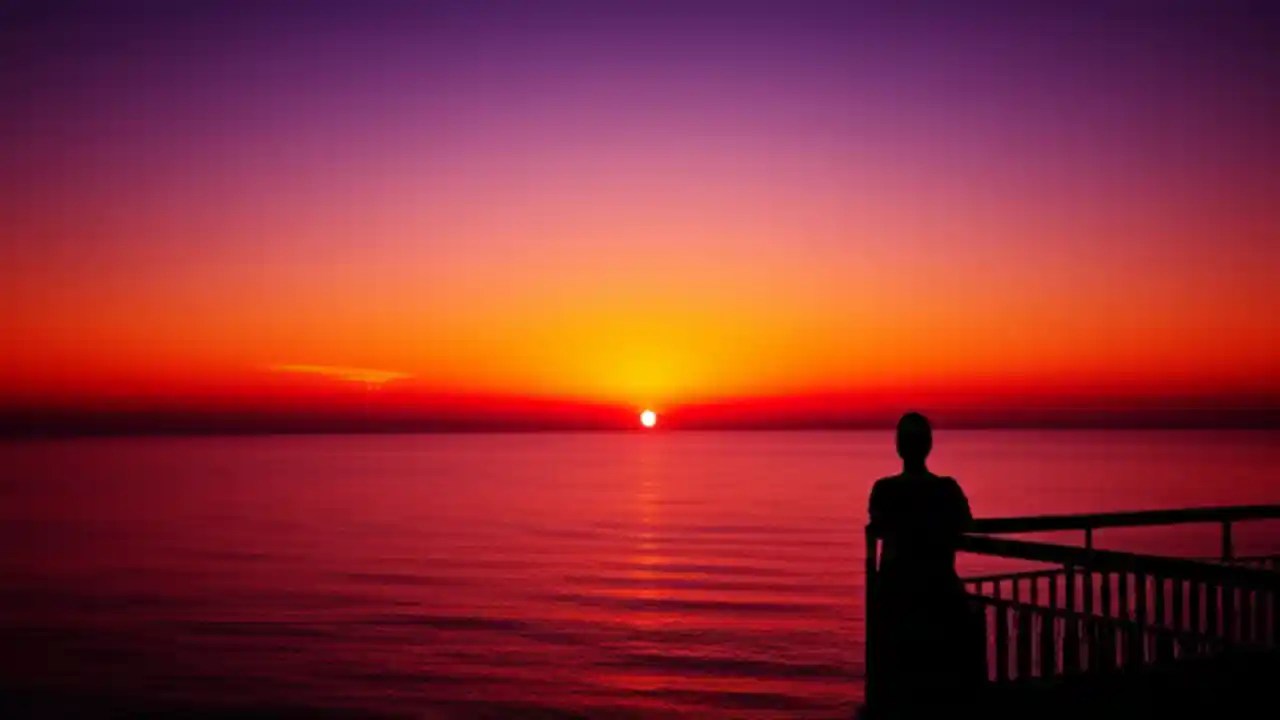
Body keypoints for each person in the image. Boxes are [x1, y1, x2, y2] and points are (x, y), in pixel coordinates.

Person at [867, 412, 983, 715]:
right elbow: (966, 523)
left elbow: (877, 523)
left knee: (900, 682)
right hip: (940, 592)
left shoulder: (884, 490)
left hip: (897, 595)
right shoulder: (947, 489)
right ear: (929, 446)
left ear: (899, 447)